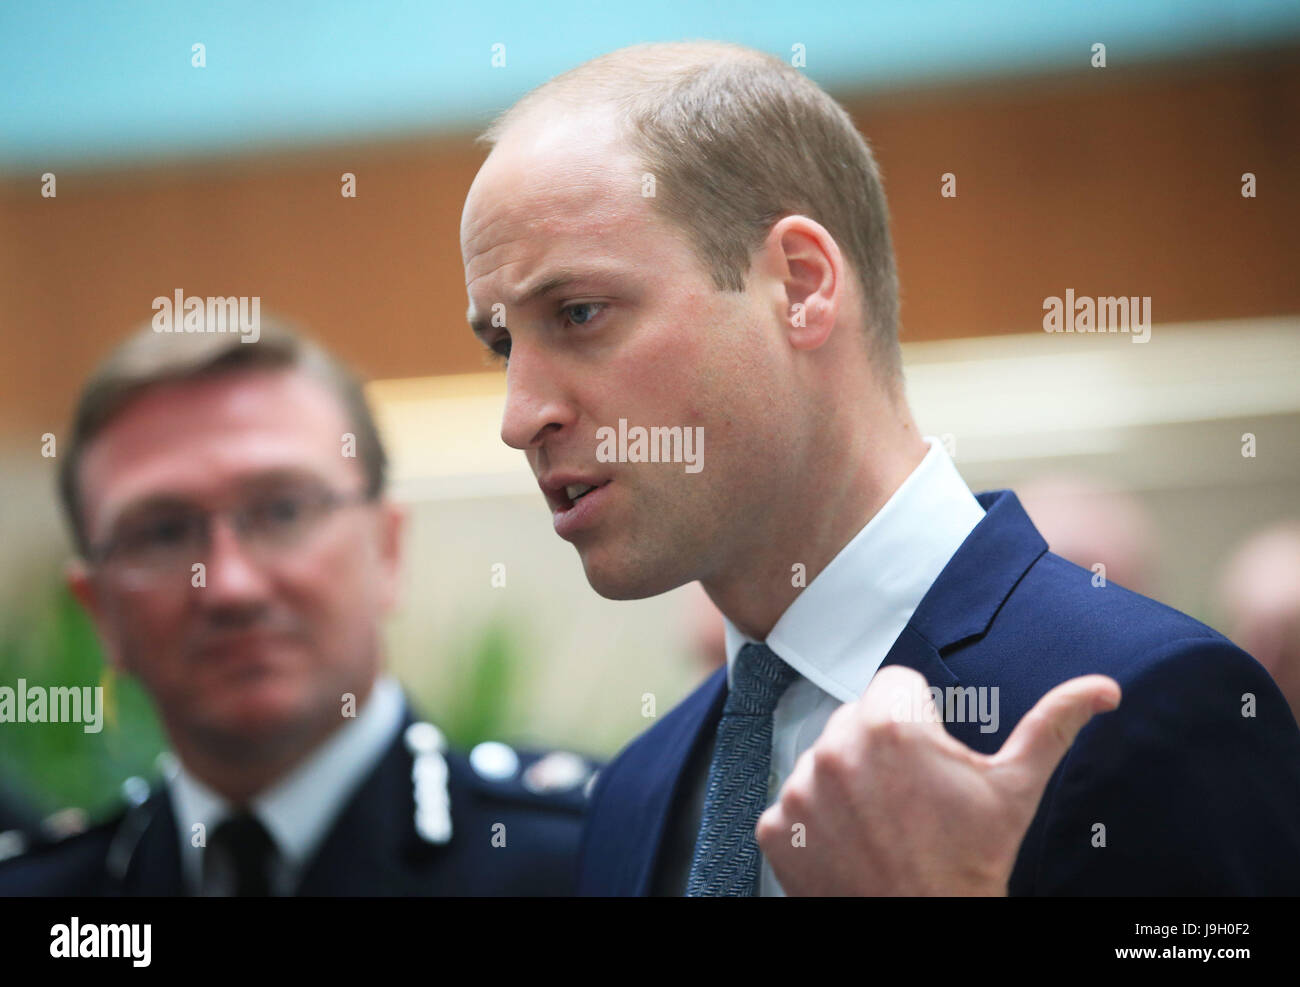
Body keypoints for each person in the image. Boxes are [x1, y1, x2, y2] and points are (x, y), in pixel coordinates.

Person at [458, 40, 1300, 895]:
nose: (520, 416)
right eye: (501, 345)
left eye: (579, 312)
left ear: (800, 284)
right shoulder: (634, 793)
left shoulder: (1145, 705)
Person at [0, 320, 591, 896]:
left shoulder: (584, 866)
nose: (231, 586)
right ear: (99, 609)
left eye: (283, 511)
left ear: (386, 549)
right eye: (162, 533)